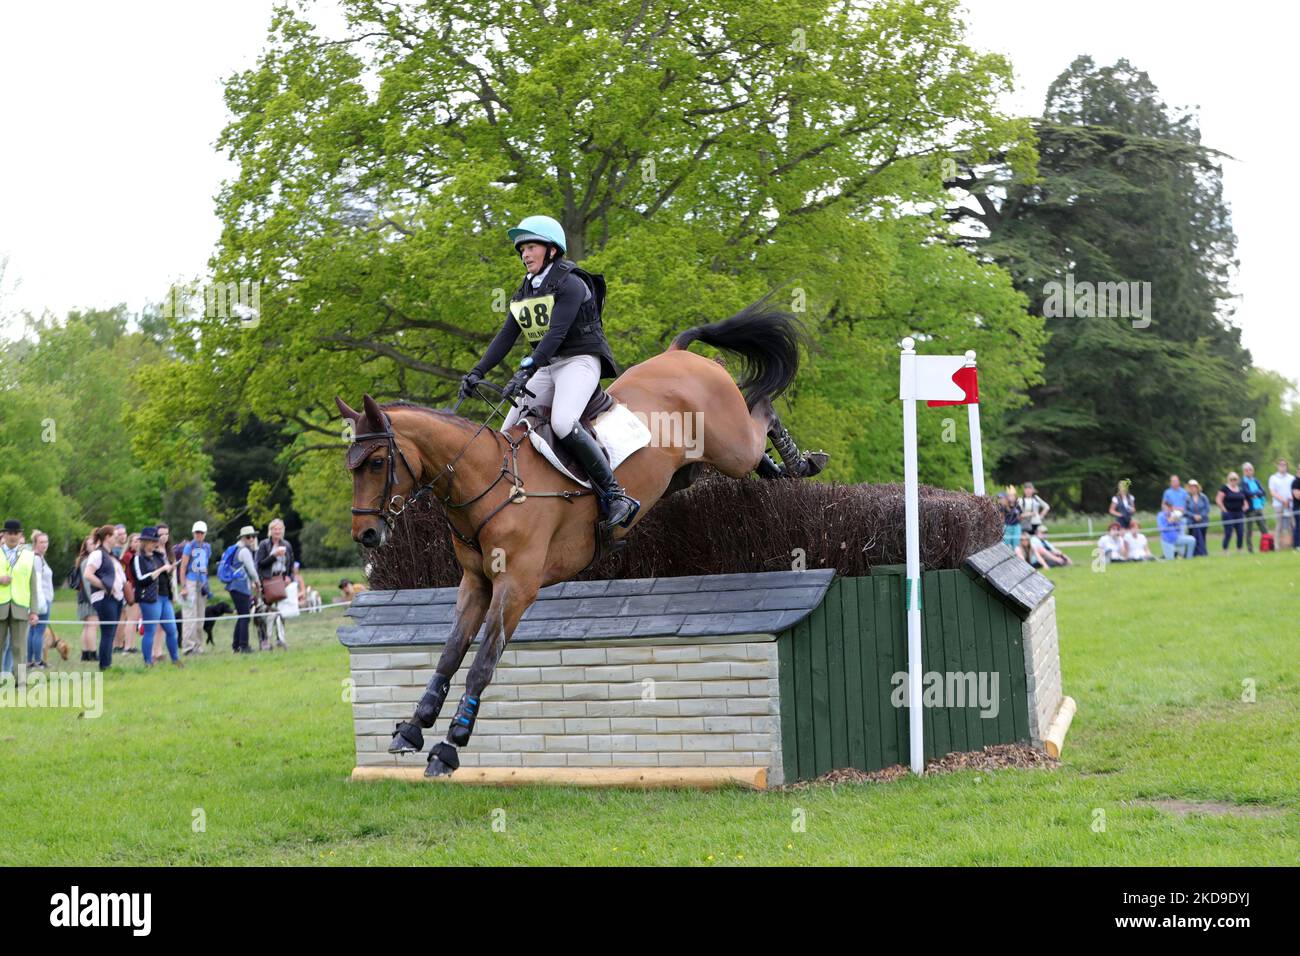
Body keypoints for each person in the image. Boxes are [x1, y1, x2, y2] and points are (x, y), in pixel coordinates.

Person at [459, 214, 639, 529]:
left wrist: (525, 371)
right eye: (522, 250)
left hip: (580, 361)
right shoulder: (524, 292)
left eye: (531, 247)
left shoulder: (571, 283)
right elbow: (505, 338)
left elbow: (555, 335)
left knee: (562, 421)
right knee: (506, 432)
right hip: (548, 364)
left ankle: (615, 494)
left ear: (552, 250)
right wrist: (476, 372)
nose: (525, 254)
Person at [133, 527, 182, 668]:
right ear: (145, 542)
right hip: (150, 598)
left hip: (165, 596)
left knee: (172, 629)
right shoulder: (138, 559)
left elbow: (165, 577)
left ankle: (175, 659)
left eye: (155, 541)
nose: (155, 543)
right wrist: (161, 570)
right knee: (150, 630)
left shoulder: (159, 556)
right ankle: (148, 661)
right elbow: (141, 579)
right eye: (152, 541)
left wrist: (169, 569)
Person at [0, 518, 39, 685]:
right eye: (10, 533)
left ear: (21, 535)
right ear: (4, 535)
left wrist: (34, 611)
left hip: (20, 607)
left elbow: (33, 585)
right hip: (1, 606)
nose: (13, 536)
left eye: (16, 533)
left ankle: (20, 681)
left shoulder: (29, 556)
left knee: (19, 648)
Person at [82, 525, 125, 670]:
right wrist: (105, 586)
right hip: (104, 597)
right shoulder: (97, 554)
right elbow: (88, 574)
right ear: (107, 537)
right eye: (114, 536)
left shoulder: (110, 555)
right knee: (107, 633)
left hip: (116, 598)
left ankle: (108, 663)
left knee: (111, 632)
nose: (117, 538)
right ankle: (104, 665)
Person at [254, 518, 294, 650]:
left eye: (280, 529)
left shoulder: (287, 545)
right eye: (275, 529)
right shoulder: (264, 544)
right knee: (265, 613)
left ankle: (280, 639)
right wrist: (274, 555)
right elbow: (259, 564)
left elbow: (291, 564)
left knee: (281, 612)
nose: (277, 531)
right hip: (267, 582)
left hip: (282, 582)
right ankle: (264, 641)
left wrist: (289, 577)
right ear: (270, 531)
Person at [224, 526, 261, 653]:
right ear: (243, 538)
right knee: (245, 616)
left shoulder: (235, 549)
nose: (251, 539)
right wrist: (257, 582)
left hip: (233, 586)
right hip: (240, 587)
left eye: (253, 536)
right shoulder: (244, 551)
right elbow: (251, 570)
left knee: (242, 616)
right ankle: (244, 646)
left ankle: (236, 645)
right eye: (248, 537)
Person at [179, 521, 212, 655]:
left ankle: (198, 645)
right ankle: (188, 646)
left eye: (201, 533)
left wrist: (206, 582)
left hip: (202, 583)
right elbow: (183, 567)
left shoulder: (207, 547)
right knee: (189, 615)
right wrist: (184, 586)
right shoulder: (189, 546)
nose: (199, 535)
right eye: (197, 532)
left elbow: (205, 565)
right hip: (191, 581)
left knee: (200, 615)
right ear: (193, 533)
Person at [26, 530, 54, 670]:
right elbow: (36, 582)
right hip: (42, 601)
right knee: (38, 630)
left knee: (33, 630)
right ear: (35, 544)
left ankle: (29, 660)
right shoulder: (36, 559)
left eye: (46, 541)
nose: (45, 545)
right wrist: (37, 604)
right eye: (41, 542)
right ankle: (37, 660)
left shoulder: (40, 558)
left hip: (42, 599)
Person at [71, 534, 100, 662]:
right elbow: (88, 584)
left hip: (83, 598)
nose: (93, 546)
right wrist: (94, 600)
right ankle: (92, 653)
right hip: (89, 599)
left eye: (95, 543)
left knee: (88, 626)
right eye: (90, 544)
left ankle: (85, 653)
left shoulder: (82, 560)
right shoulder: (87, 561)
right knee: (92, 626)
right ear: (86, 547)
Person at [1216, 472, 1250, 553]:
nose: (1233, 481)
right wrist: (1224, 510)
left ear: (1237, 480)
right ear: (1228, 479)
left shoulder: (1240, 489)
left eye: (1235, 479)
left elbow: (1244, 500)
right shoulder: (1224, 488)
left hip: (1239, 513)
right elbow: (1218, 500)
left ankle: (1239, 549)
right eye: (1231, 479)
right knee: (1228, 532)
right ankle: (1225, 549)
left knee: (1241, 532)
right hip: (1228, 513)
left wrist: (1245, 506)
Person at [1239, 463, 1269, 553]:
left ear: (1253, 470)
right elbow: (1247, 493)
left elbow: (1263, 492)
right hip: (1250, 510)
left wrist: (1255, 494)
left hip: (1259, 507)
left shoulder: (1256, 480)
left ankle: (1266, 547)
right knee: (1249, 531)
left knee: (1264, 529)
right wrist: (1256, 493)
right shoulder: (1243, 482)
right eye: (1246, 470)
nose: (1248, 471)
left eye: (1250, 469)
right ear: (1244, 471)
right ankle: (1250, 550)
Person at [1268, 458, 1295, 547]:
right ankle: (1276, 546)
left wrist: (1289, 499)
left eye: (1284, 465)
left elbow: (1294, 490)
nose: (1282, 467)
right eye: (1281, 465)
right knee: (1279, 526)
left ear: (1287, 466)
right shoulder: (1273, 478)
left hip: (1290, 505)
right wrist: (1283, 500)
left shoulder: (1291, 478)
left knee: (1292, 525)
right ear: (1278, 466)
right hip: (1278, 505)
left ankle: (1294, 544)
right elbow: (1273, 492)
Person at [1184, 480, 1211, 557]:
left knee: (1202, 537)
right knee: (1192, 538)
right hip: (1191, 522)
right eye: (1191, 487)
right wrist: (1193, 516)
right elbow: (1185, 511)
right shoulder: (1187, 499)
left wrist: (1201, 516)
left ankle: (1202, 552)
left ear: (1197, 488)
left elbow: (1207, 509)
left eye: (1194, 487)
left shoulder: (1203, 497)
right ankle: (1193, 553)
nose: (1193, 489)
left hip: (1203, 521)